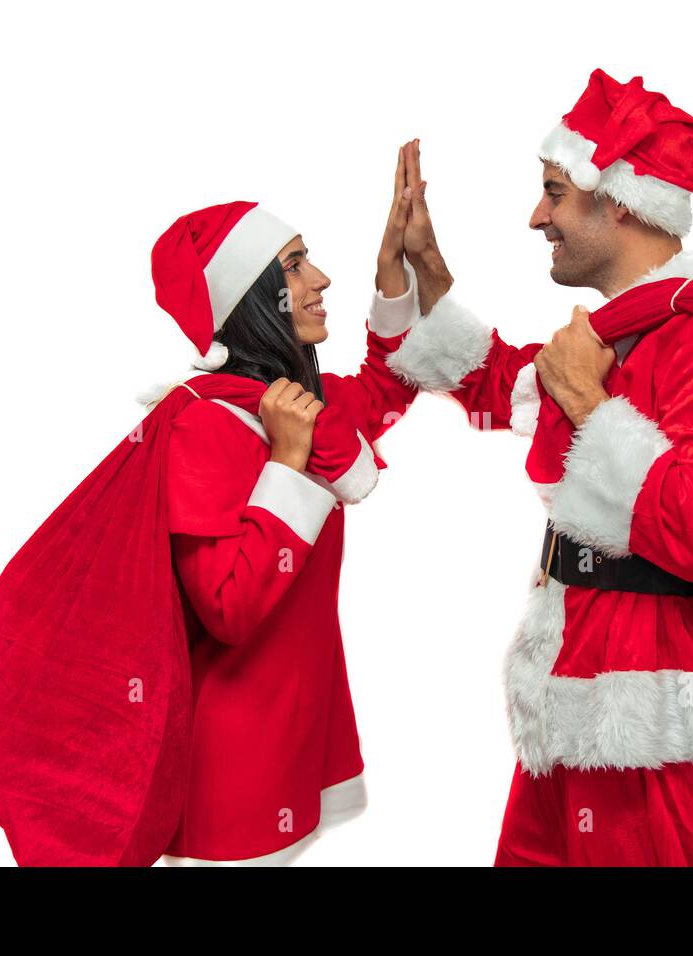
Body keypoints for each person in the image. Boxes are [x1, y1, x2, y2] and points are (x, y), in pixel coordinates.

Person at [382, 76, 693, 866]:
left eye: (554, 193)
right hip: (571, 695)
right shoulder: (626, 329)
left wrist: (586, 398)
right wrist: (427, 271)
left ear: (619, 203)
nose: (536, 216)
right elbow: (505, 388)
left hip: (644, 722)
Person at [149, 150, 426, 866]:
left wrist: (393, 271)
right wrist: (286, 463)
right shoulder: (207, 425)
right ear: (252, 299)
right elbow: (228, 609)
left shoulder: (300, 408)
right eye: (295, 266)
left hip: (294, 735)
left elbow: (388, 387)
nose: (320, 278)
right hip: (232, 767)